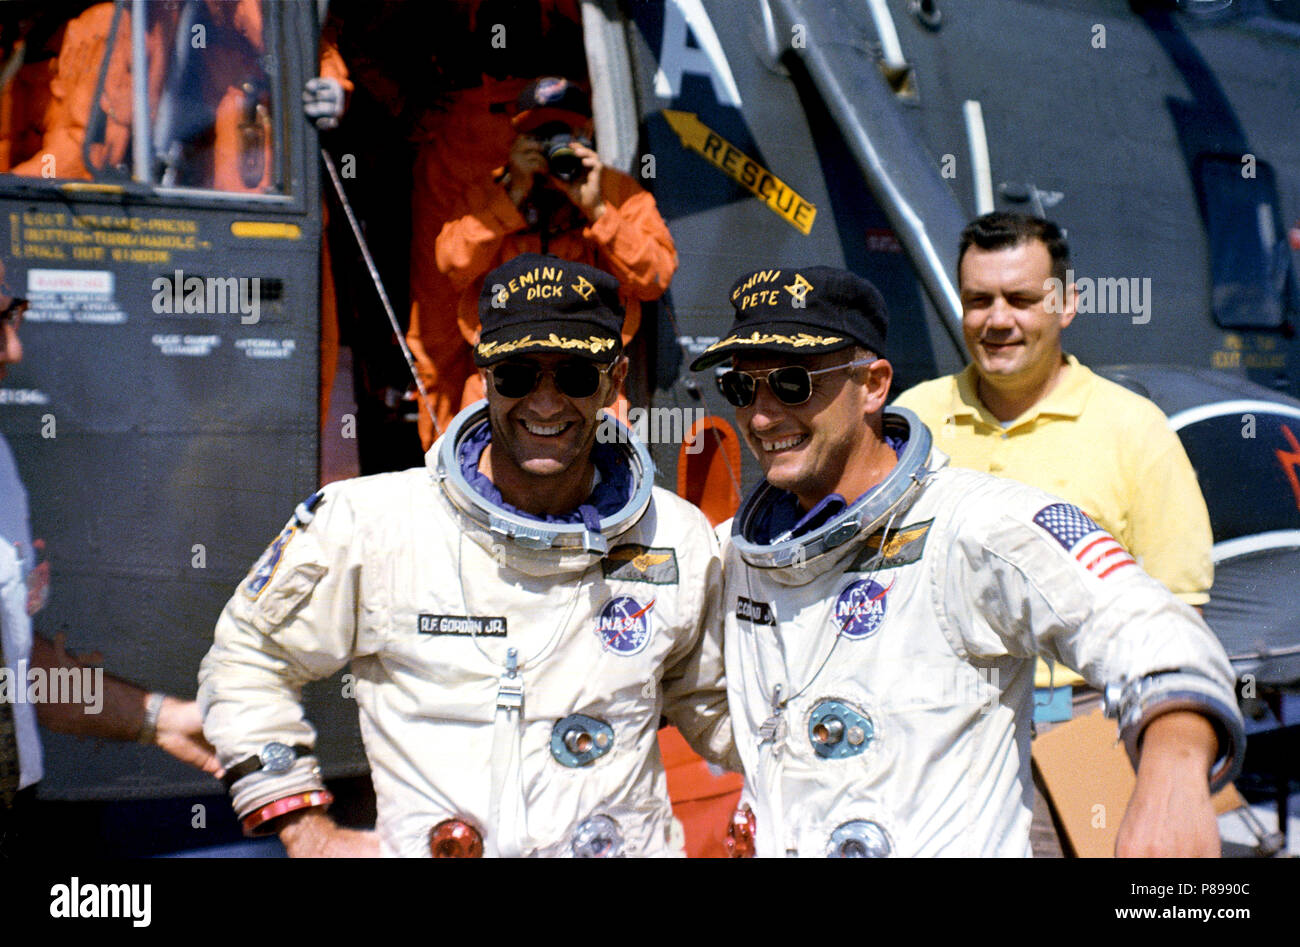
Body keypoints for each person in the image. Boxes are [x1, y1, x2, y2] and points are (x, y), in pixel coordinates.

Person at [691, 265, 1244, 857]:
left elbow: (1150, 627)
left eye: (793, 383)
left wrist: (1173, 773)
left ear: (874, 385)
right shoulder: (733, 554)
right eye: (742, 389)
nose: (762, 415)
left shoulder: (977, 524)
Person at [199, 255, 736, 857]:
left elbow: (717, 708)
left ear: (615, 380)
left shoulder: (675, 538)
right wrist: (305, 827)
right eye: (517, 375)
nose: (546, 401)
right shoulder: (372, 524)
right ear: (482, 374)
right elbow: (249, 657)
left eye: (576, 375)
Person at [891, 212, 1216, 853]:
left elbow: (1181, 609)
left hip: (1082, 725)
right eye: (979, 300)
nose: (998, 319)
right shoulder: (914, 423)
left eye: (1021, 298)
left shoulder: (1134, 430)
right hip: (940, 734)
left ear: (1065, 304)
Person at [0, 262, 221, 858]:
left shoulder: (2, 466)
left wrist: (161, 719)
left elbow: (16, 673)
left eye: (13, 317)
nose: (15, 351)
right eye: (0, 323)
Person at [426, 76, 677, 441]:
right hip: (500, 374)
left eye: (565, 133)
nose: (553, 147)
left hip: (589, 377)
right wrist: (512, 196)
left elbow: (655, 277)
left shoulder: (619, 192)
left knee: (608, 480)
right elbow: (452, 264)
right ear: (518, 139)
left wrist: (597, 210)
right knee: (473, 476)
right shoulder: (489, 191)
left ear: (587, 132)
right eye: (540, 135)